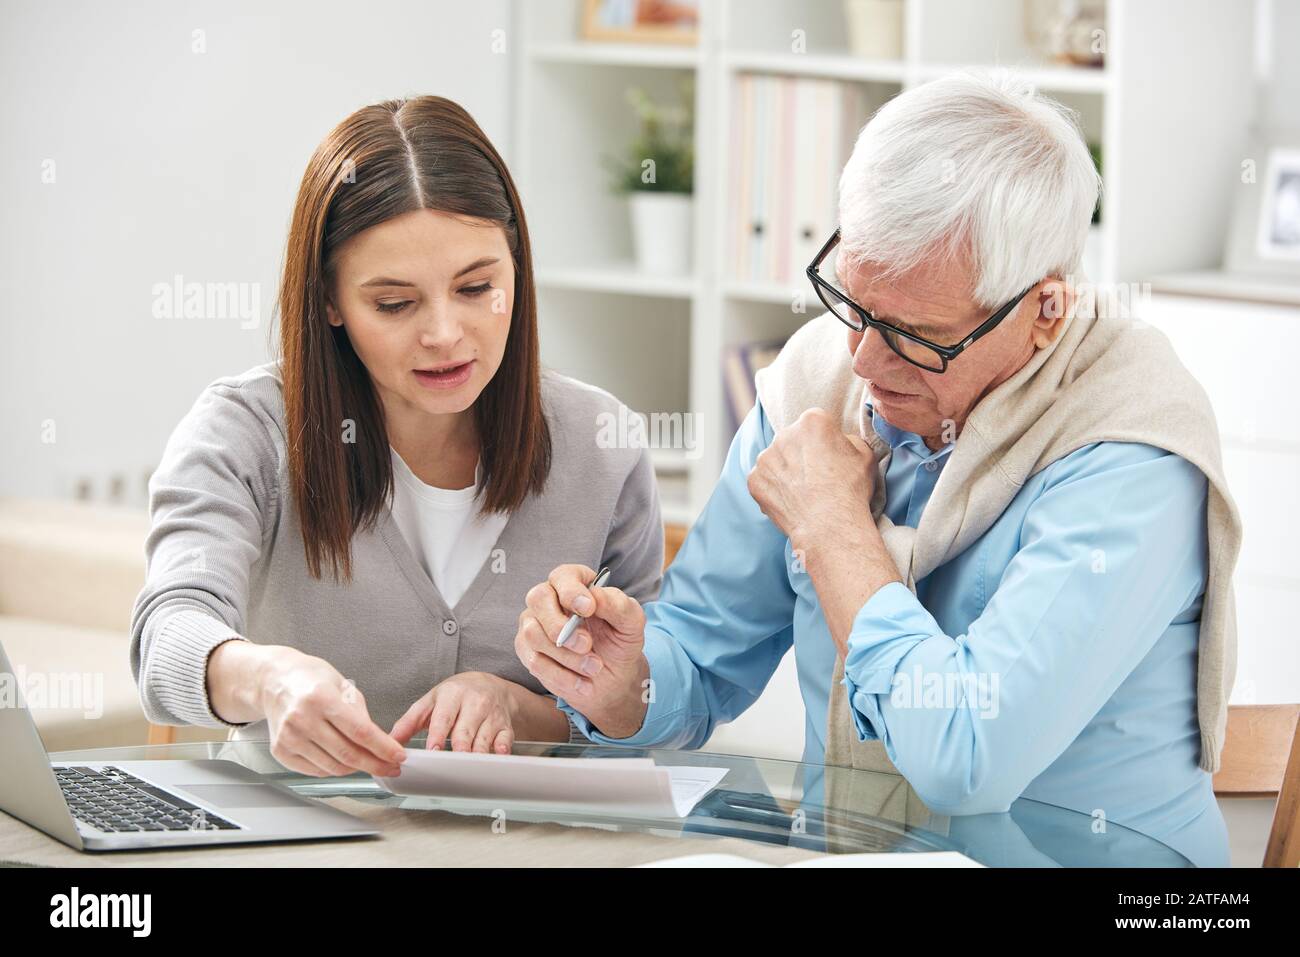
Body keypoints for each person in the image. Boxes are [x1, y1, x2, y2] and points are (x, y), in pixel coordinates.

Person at [513, 70, 1242, 867]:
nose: (864, 358)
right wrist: (624, 686)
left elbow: (968, 756)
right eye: (855, 305)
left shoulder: (1130, 449)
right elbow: (698, 657)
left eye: (917, 334)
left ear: (1045, 311)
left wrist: (834, 528)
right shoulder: (815, 383)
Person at [130, 96, 663, 780]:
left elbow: (644, 709)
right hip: (299, 842)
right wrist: (270, 679)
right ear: (328, 300)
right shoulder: (245, 434)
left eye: (476, 287)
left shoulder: (601, 445)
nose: (444, 334)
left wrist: (517, 708)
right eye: (394, 303)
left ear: (518, 270)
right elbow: (167, 638)